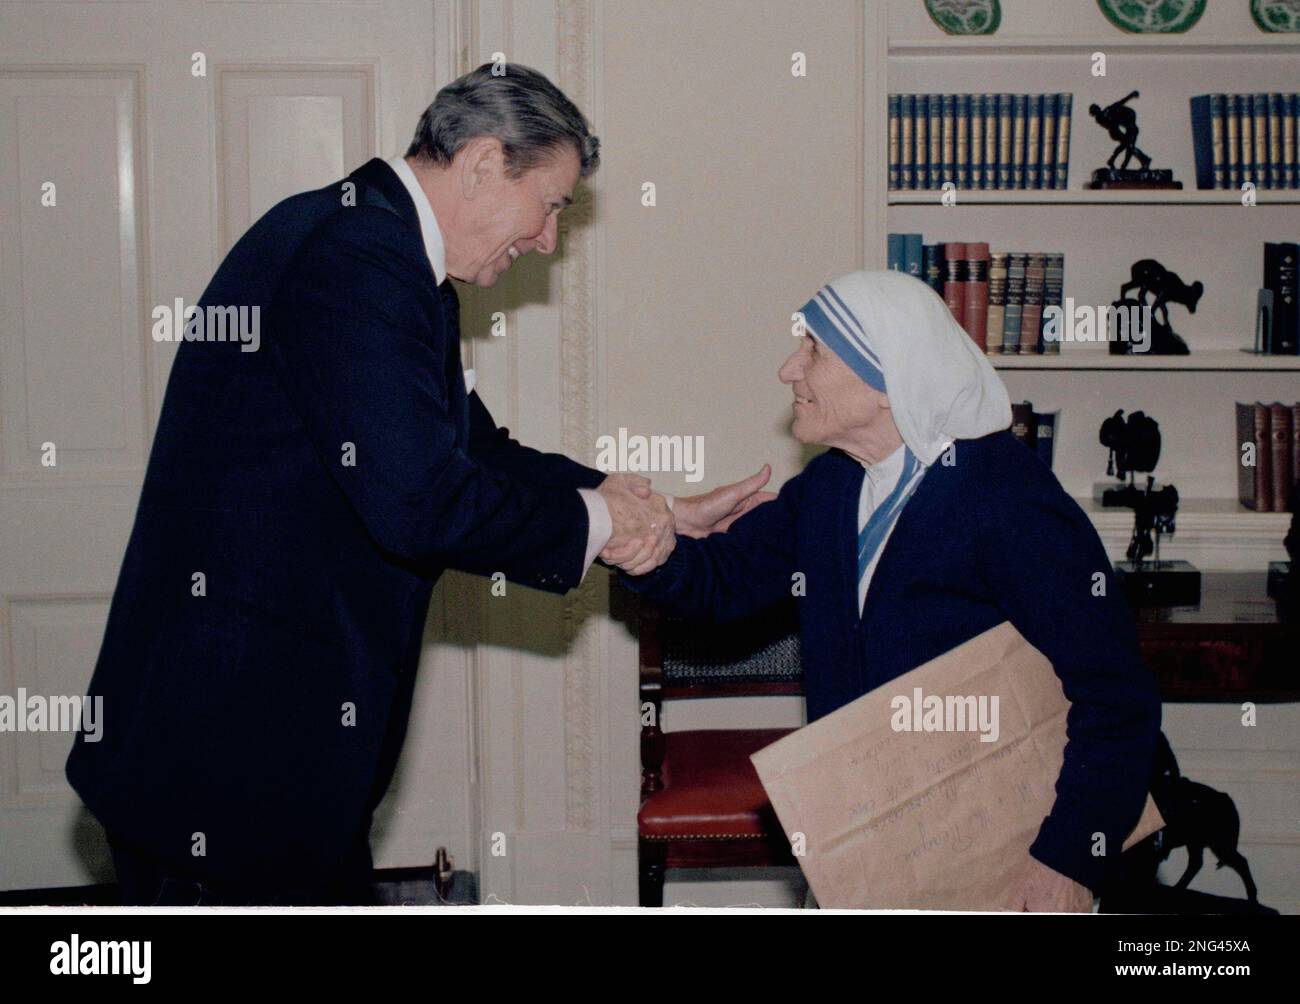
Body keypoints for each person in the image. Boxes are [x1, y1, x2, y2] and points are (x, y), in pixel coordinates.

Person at [67, 62, 768, 905]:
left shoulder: (386, 252)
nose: (548, 239)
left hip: (271, 747)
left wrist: (652, 509)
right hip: (225, 752)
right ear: (480, 163)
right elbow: (418, 502)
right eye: (550, 205)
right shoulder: (357, 257)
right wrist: (602, 524)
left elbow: (475, 451)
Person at [620, 269, 1163, 911]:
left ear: (886, 380)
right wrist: (633, 539)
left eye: (814, 351)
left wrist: (1071, 858)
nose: (788, 370)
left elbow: (1116, 697)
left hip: (1010, 854)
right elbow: (722, 583)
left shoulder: (1005, 499)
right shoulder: (831, 488)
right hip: (884, 848)